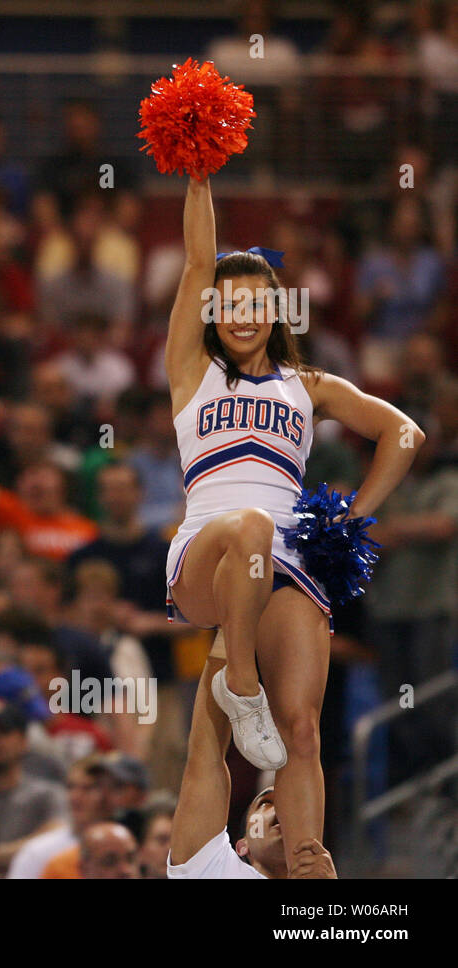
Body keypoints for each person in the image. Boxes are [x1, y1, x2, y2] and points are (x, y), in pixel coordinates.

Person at [163, 176, 422, 874]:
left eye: (256, 304)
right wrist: (200, 173)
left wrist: (354, 518)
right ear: (211, 313)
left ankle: (309, 864)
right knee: (248, 525)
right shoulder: (192, 373)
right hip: (207, 554)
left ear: (276, 311)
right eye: (229, 304)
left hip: (293, 560)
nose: (241, 315)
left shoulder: (308, 386)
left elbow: (403, 433)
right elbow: (195, 260)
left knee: (302, 730)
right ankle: (240, 682)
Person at [168, 641, 336, 879]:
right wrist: (230, 633)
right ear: (242, 845)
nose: (284, 808)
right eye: (266, 802)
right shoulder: (213, 868)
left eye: (294, 804)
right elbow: (206, 756)